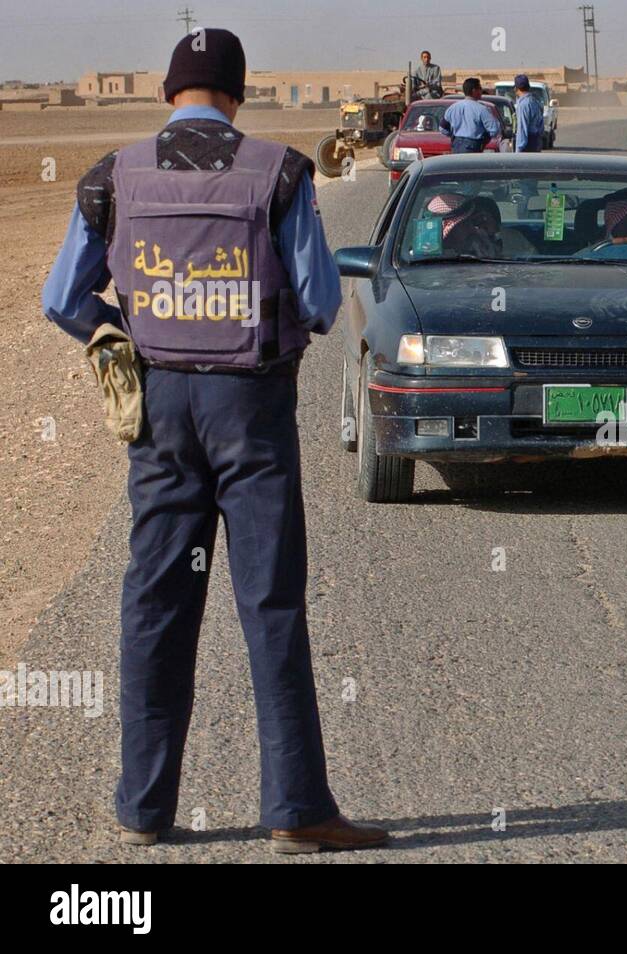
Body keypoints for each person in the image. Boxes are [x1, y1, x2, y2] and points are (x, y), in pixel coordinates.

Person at [40, 28, 387, 853]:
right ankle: (298, 811)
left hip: (160, 410)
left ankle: (142, 810)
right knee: (269, 603)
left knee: (155, 603)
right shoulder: (280, 171)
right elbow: (321, 301)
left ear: (169, 94)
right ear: (238, 94)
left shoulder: (113, 175)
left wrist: (126, 328)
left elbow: (63, 299)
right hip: (252, 411)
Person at [438, 77, 500, 153]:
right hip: (473, 146)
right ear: (474, 90)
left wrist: (453, 135)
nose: (481, 91)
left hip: (456, 145)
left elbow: (442, 128)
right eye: (480, 88)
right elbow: (494, 129)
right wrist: (484, 139)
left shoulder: (453, 108)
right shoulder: (482, 109)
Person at [512, 74, 545, 153]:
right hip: (535, 141)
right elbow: (541, 126)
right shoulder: (535, 102)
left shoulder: (523, 105)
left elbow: (522, 129)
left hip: (526, 145)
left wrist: (518, 150)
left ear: (516, 88)